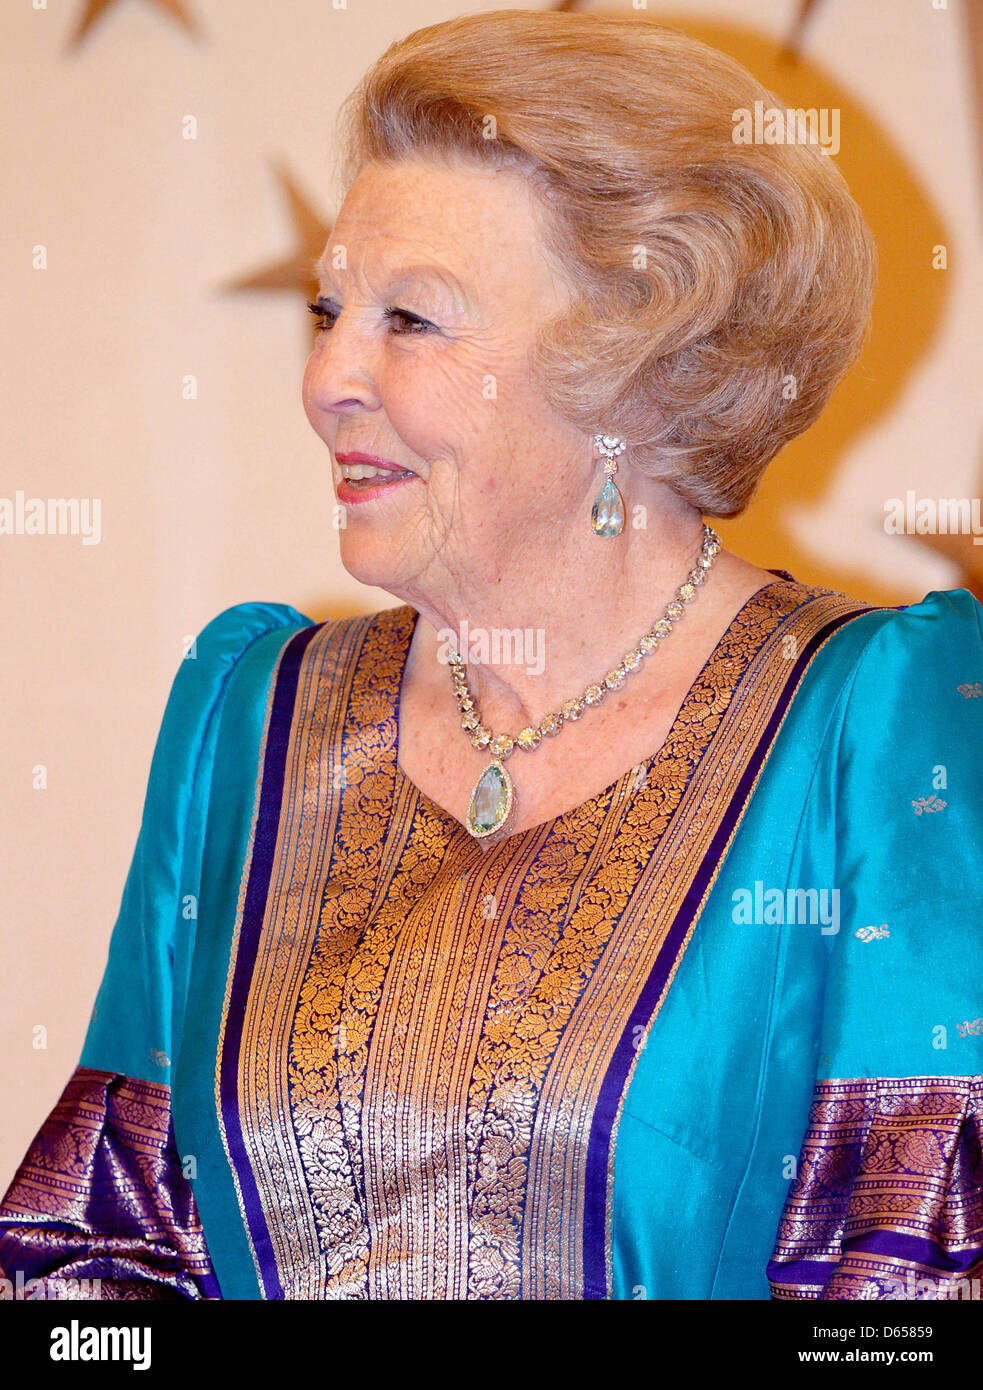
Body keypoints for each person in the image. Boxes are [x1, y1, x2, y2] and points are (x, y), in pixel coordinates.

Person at [2, 9, 980, 1302]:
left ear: (637, 366)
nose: (327, 377)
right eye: (329, 309)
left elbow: (916, 1290)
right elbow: (92, 1255)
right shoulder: (247, 711)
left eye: (411, 319)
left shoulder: (876, 719)